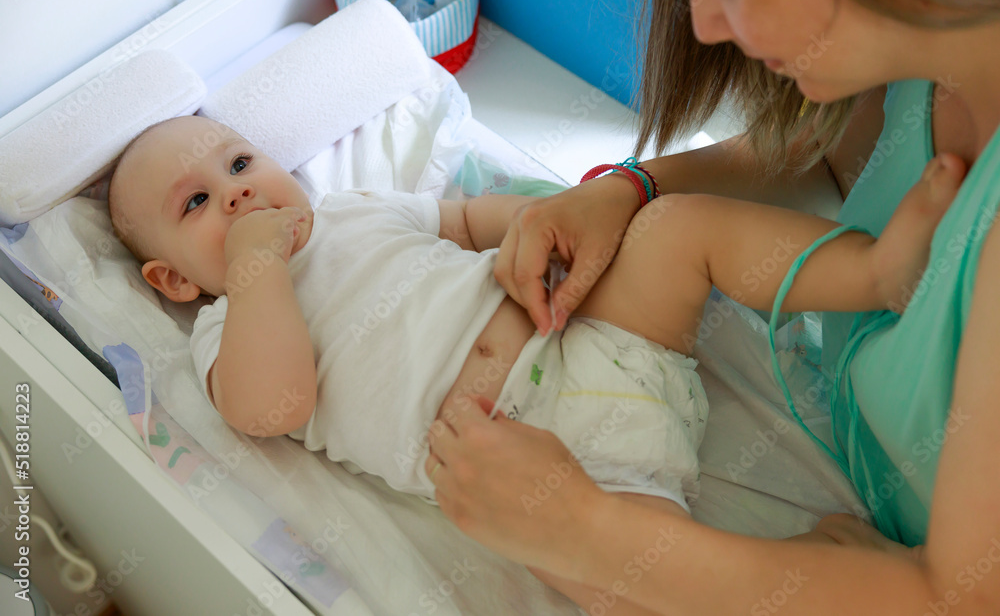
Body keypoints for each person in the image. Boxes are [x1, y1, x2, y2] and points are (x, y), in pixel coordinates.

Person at [107, 112, 960, 613]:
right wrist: (256, 272)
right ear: (174, 279)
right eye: (199, 203)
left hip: (593, 332)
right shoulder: (224, 330)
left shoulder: (355, 210)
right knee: (613, 586)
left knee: (679, 228)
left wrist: (550, 224)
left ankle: (872, 272)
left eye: (240, 162)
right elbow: (276, 404)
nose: (239, 194)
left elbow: (483, 220)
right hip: (533, 470)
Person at [422, 0, 1000, 613]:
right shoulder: (926, 56)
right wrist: (629, 187)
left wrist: (585, 531)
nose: (703, 26)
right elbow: (826, 155)